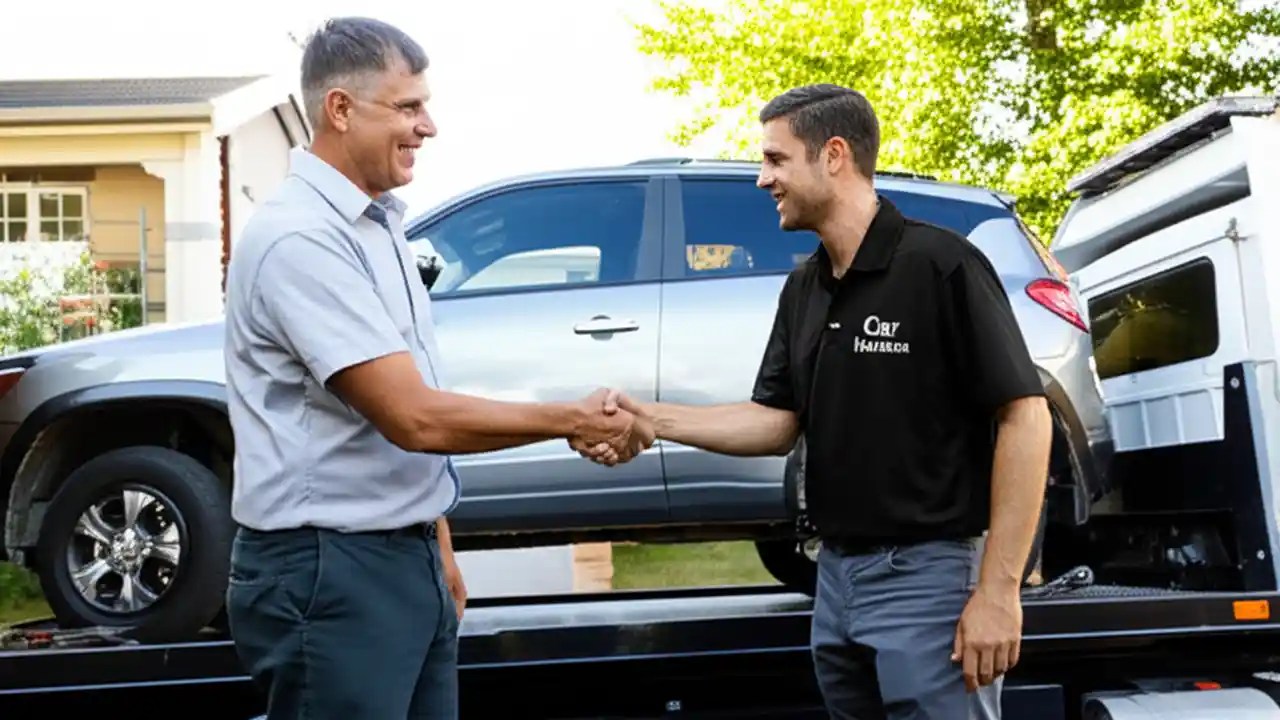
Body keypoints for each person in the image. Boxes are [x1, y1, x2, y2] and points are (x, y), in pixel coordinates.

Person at [222, 16, 652, 720]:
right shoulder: (301, 239)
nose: (428, 126)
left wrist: (436, 542)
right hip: (331, 568)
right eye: (408, 106)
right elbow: (413, 417)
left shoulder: (376, 225)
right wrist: (569, 419)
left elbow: (410, 411)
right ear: (340, 108)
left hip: (399, 555)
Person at [589, 84, 1052, 719]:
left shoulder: (940, 265)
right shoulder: (805, 286)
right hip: (835, 579)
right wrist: (652, 419)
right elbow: (777, 422)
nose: (762, 179)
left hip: (928, 578)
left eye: (775, 159)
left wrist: (999, 591)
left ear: (834, 155)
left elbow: (1026, 415)